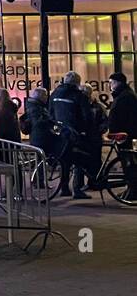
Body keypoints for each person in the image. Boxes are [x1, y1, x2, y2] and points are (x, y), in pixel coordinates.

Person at [49, 71, 93, 200]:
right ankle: (77, 189)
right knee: (78, 160)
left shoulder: (55, 94)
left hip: (60, 132)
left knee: (64, 161)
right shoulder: (79, 96)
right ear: (77, 83)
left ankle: (64, 188)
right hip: (75, 132)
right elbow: (86, 116)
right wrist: (86, 130)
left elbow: (50, 112)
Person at [106, 72, 137, 140]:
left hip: (124, 135)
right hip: (123, 134)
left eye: (111, 82)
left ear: (118, 82)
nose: (109, 85)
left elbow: (124, 117)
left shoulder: (125, 96)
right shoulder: (124, 94)